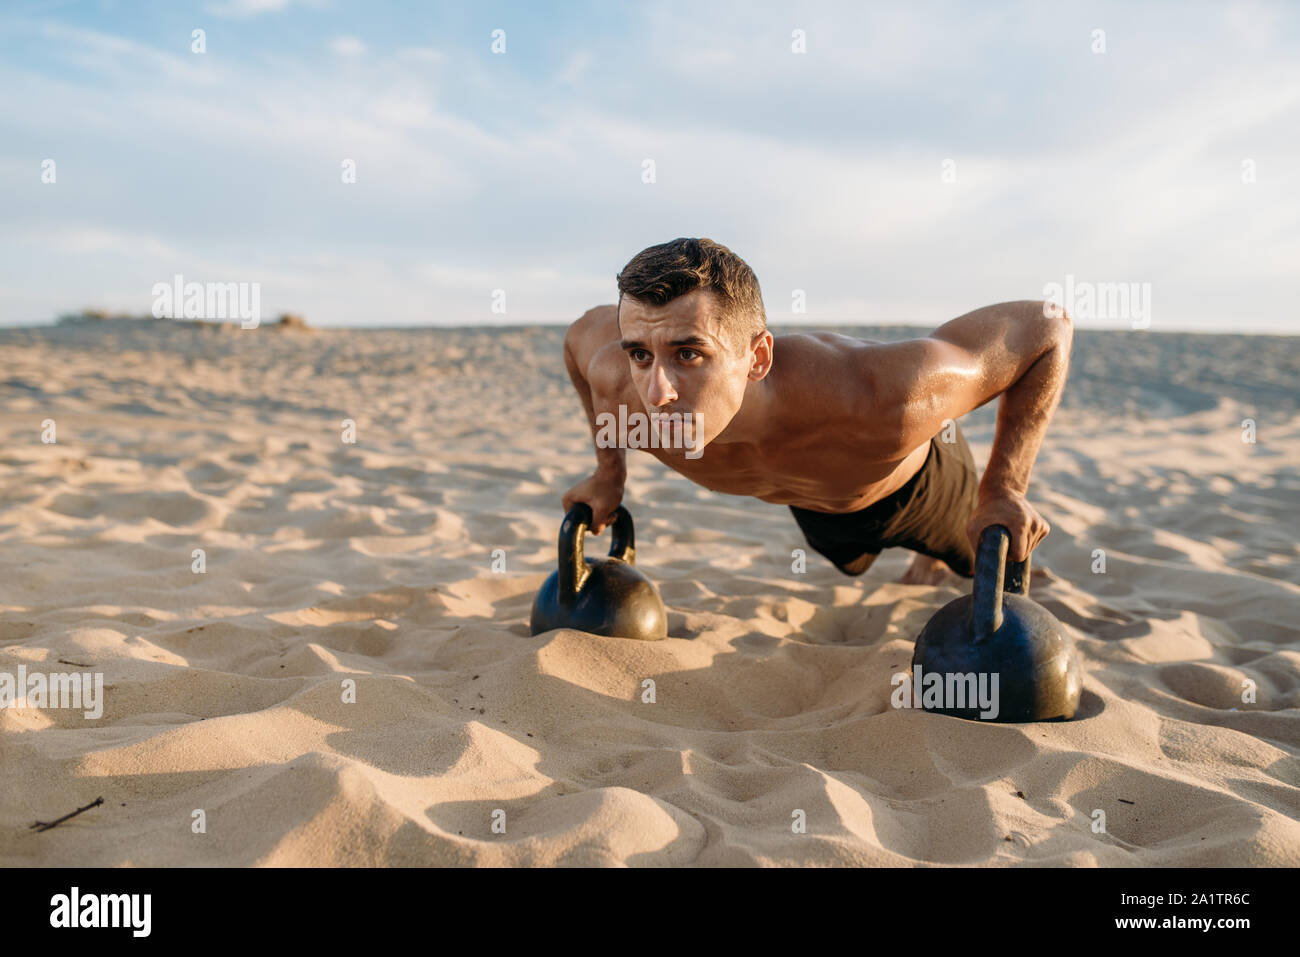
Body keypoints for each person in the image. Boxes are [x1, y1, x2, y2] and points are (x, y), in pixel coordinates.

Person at [561, 237, 1071, 585]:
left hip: (916, 487)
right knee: (852, 566)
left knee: (983, 565)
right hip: (817, 505)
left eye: (689, 354)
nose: (657, 393)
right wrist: (609, 475)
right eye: (641, 354)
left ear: (757, 357)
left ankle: (932, 554)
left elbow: (1048, 326)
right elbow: (578, 335)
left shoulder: (884, 397)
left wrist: (1004, 488)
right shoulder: (616, 383)